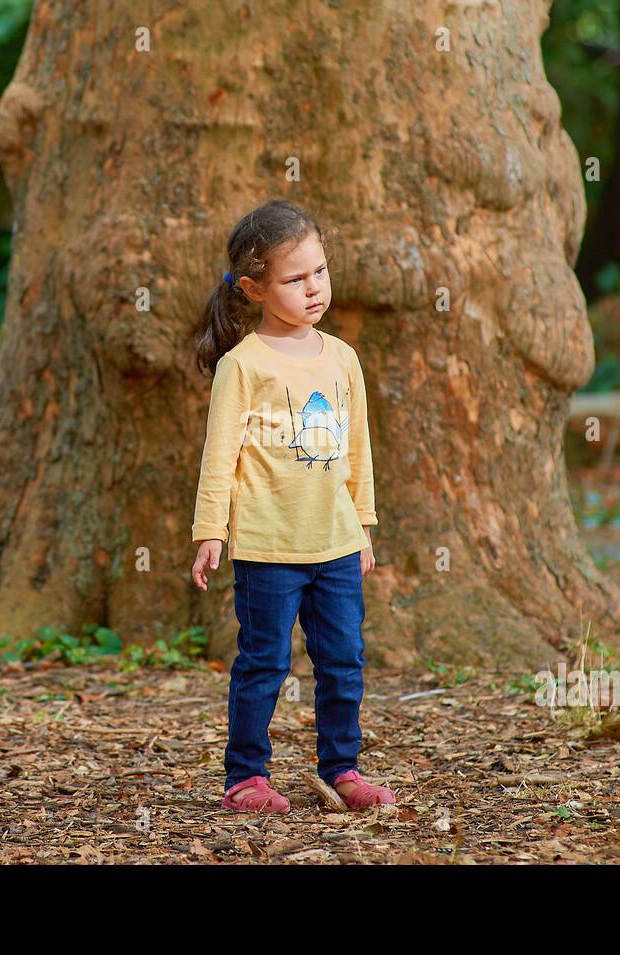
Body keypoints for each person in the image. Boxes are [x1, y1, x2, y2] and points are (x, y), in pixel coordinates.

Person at [189, 199, 397, 814]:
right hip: (267, 547)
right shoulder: (242, 366)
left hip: (334, 544)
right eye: (295, 278)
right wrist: (210, 532)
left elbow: (358, 448)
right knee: (264, 663)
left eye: (320, 272)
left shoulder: (342, 359)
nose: (314, 289)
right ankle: (245, 778)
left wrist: (363, 525)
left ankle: (343, 768)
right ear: (253, 288)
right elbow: (219, 456)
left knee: (343, 660)